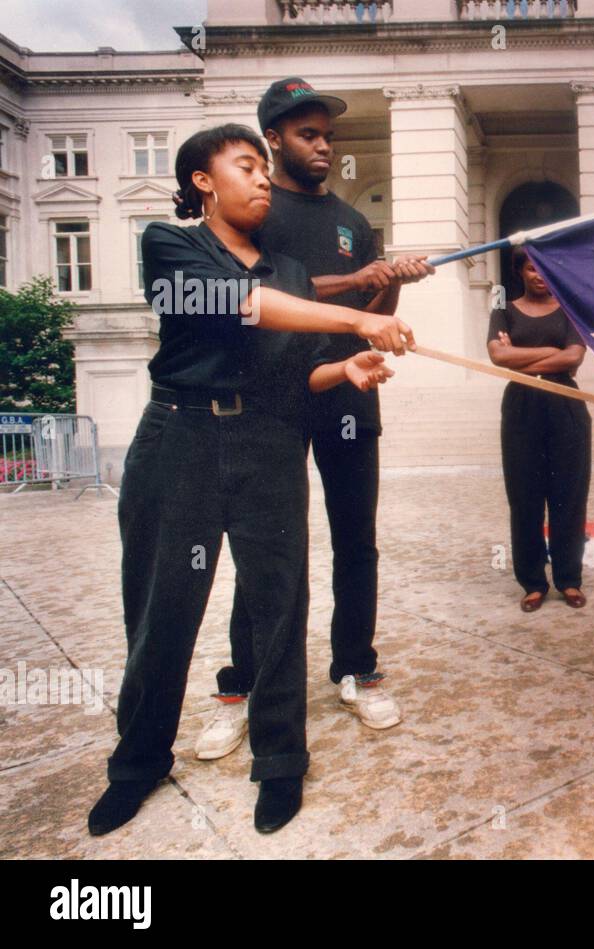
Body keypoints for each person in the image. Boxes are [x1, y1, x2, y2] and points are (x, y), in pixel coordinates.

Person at [88, 124, 415, 837]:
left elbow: (294, 375)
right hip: (181, 437)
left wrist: (343, 368)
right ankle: (138, 760)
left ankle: (279, 759)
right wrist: (356, 319)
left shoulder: (290, 272)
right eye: (246, 166)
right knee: (162, 608)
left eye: (266, 169)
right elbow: (235, 306)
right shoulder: (170, 244)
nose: (263, 178)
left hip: (268, 440)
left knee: (278, 604)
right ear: (202, 180)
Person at [194, 79, 433, 760]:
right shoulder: (255, 215)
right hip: (271, 396)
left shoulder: (351, 223)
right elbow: (260, 294)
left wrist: (393, 275)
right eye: (307, 133)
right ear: (273, 139)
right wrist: (359, 284)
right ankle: (241, 688)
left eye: (327, 134)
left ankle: (356, 668)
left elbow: (375, 311)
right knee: (265, 547)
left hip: (349, 391)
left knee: (357, 541)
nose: (323, 145)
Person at [487, 248, 590, 612]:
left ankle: (569, 579)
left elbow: (573, 357)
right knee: (525, 498)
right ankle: (532, 582)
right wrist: (551, 351)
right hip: (521, 409)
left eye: (544, 268)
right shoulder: (503, 309)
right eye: (531, 268)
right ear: (520, 271)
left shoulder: (569, 311)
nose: (538, 275)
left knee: (569, 496)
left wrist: (523, 356)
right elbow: (498, 358)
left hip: (565, 404)